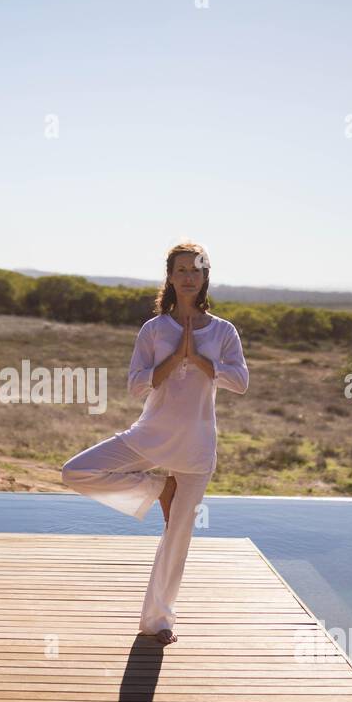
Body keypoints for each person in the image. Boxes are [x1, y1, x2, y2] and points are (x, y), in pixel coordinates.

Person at [61, 242, 250, 645]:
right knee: (76, 471)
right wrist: (171, 360)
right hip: (150, 435)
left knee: (178, 536)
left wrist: (198, 358)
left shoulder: (222, 331)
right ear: (169, 276)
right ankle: (156, 488)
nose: (187, 277)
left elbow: (240, 382)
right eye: (180, 270)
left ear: (204, 278)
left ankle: (158, 621)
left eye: (194, 271)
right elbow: (135, 386)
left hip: (197, 447)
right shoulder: (154, 329)